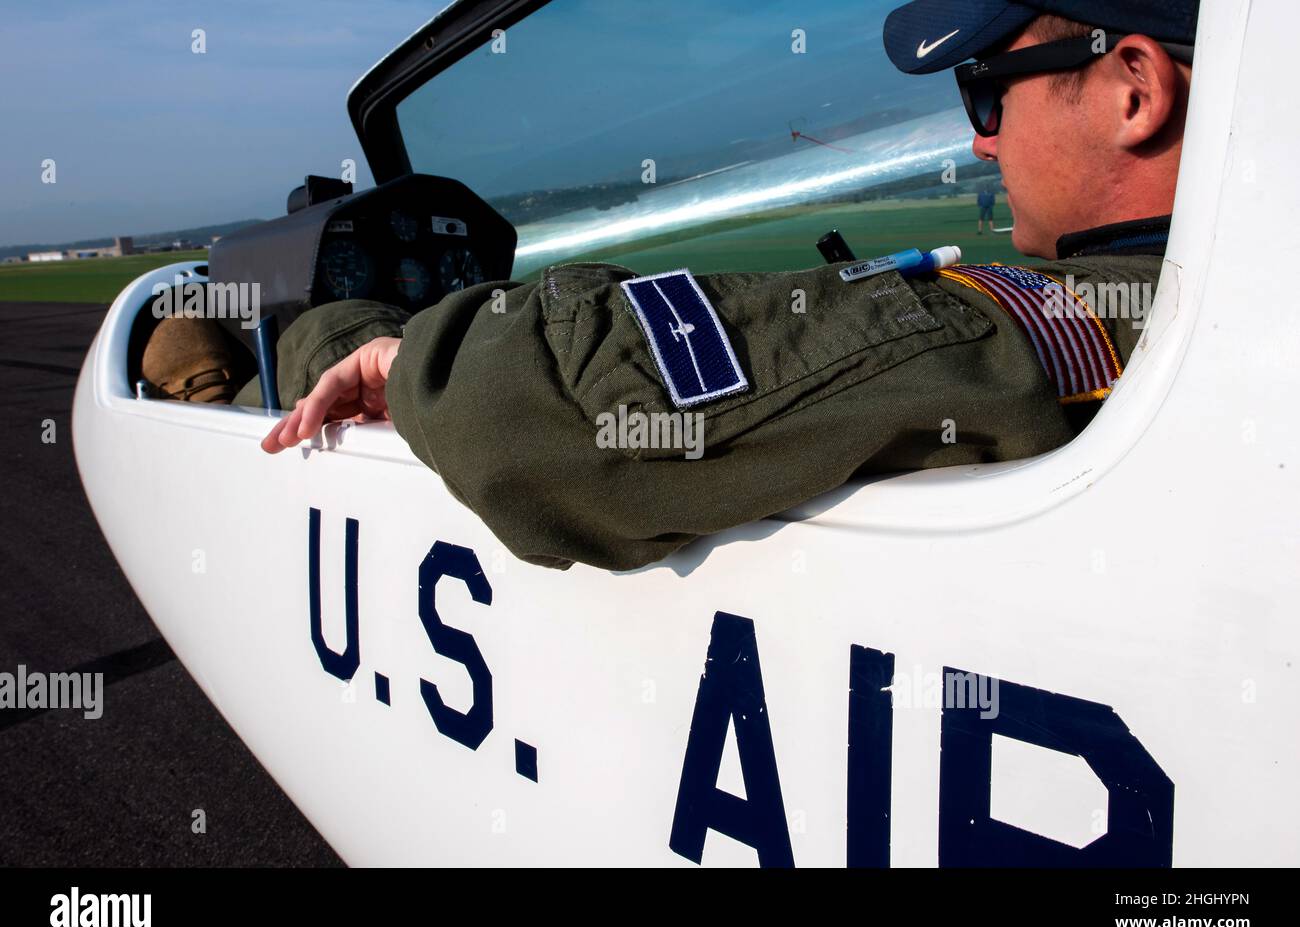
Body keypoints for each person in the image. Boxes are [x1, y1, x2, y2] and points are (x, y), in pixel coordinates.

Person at [151, 0, 1198, 571]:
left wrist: (369, 339)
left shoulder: (1081, 319)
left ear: (1135, 91)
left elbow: (555, 410)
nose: (977, 138)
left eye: (985, 87)